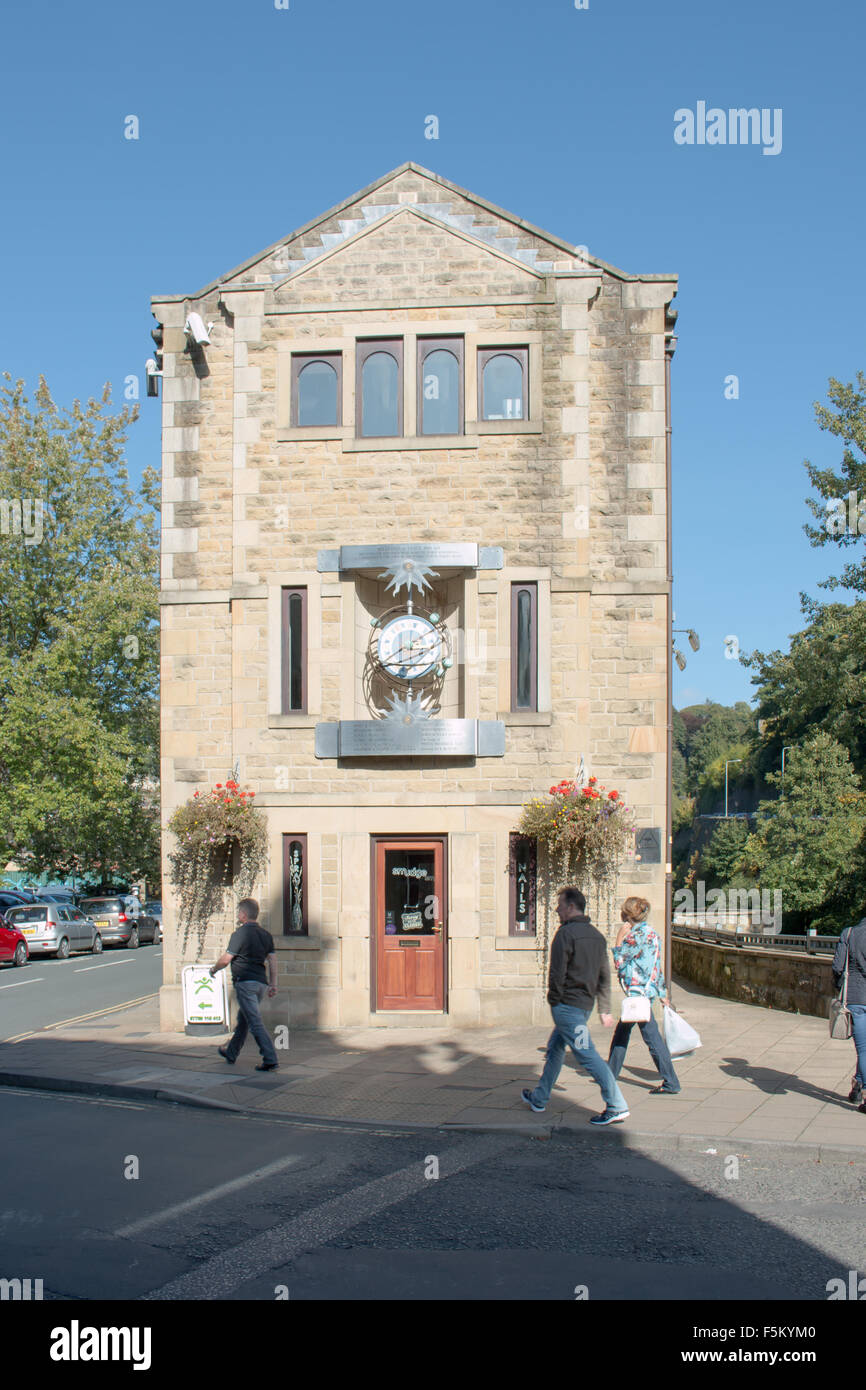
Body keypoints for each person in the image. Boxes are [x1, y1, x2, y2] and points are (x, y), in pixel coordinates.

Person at [521, 886, 629, 1126]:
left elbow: (557, 973)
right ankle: (539, 1098)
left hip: (567, 1007)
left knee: (586, 1054)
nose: (557, 909)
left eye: (560, 904)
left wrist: (554, 1000)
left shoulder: (565, 934)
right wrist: (604, 1008)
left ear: (571, 906)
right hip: (583, 1006)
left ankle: (616, 1105)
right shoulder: (597, 936)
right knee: (555, 1049)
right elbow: (604, 976)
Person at [607, 896, 681, 1095]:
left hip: (636, 996)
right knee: (624, 1033)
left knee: (651, 1038)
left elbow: (620, 964)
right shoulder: (653, 934)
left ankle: (671, 1082)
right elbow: (657, 966)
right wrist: (663, 993)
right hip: (646, 993)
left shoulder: (633, 937)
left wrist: (618, 940)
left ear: (628, 916)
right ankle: (610, 1074)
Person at [211, 898, 279, 1071]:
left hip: (245, 984)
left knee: (254, 1022)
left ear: (243, 914)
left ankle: (270, 1058)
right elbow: (272, 960)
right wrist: (273, 984)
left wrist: (213, 969)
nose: (238, 915)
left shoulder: (239, 934)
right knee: (244, 1020)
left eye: (238, 912)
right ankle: (231, 1052)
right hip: (260, 985)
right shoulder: (266, 935)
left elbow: (226, 959)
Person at [832, 914, 866, 1112]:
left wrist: (838, 988)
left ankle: (860, 1089)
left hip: (856, 998)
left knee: (863, 1049)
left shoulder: (850, 933)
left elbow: (838, 967)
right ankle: (857, 1089)